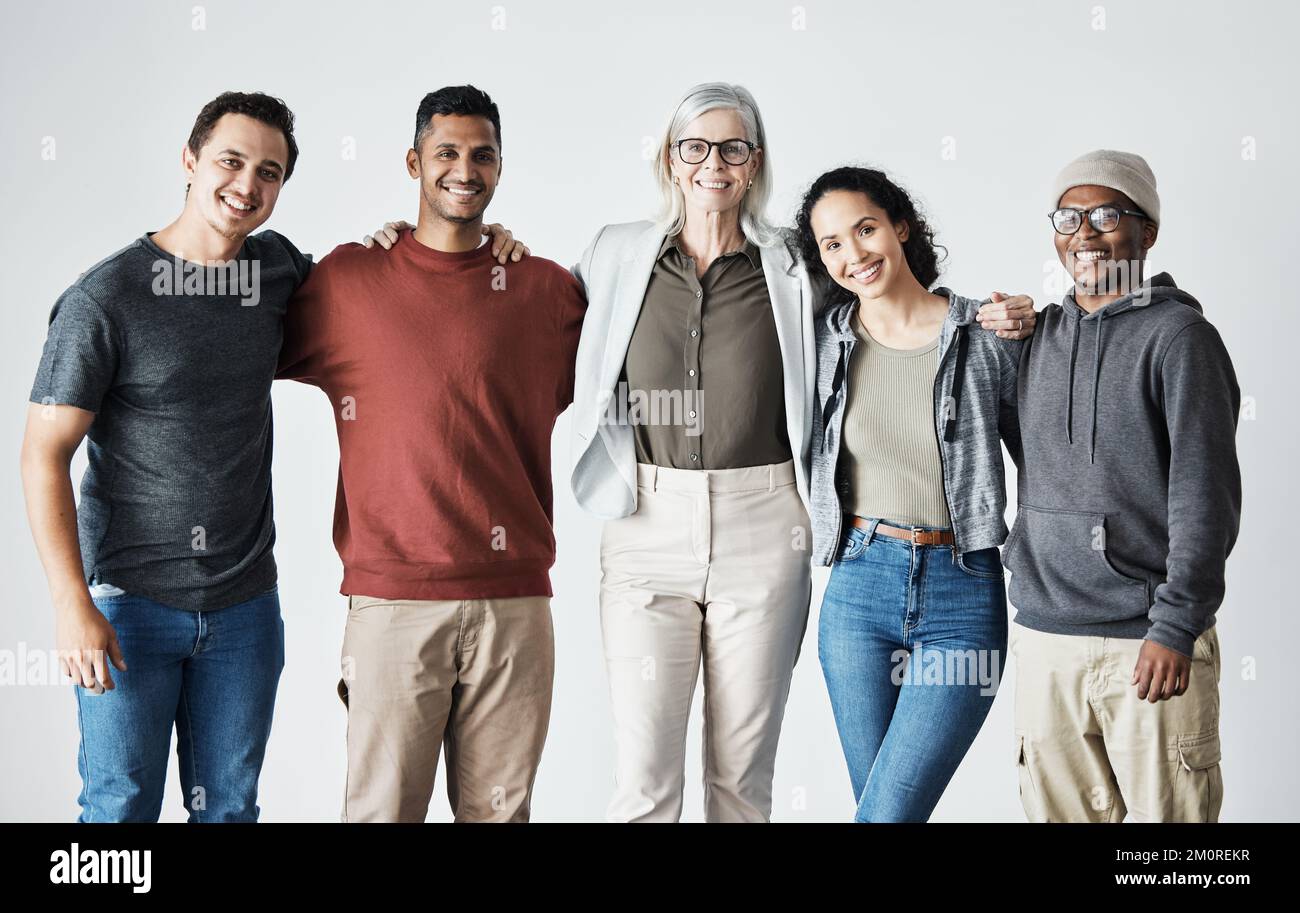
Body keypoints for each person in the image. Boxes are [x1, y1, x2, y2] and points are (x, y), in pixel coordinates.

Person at [277, 85, 584, 823]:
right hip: (391, 606)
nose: (464, 169)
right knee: (383, 812)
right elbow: (233, 331)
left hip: (514, 602)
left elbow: (635, 360)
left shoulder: (542, 289)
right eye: (446, 152)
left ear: (501, 169)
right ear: (414, 162)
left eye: (482, 154)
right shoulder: (348, 281)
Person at [1007, 149, 1240, 822]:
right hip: (1047, 634)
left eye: (1107, 214)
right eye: (1069, 216)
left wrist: (1175, 623)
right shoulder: (1038, 337)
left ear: (1147, 231)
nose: (1085, 232)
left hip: (1148, 637)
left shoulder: (1181, 338)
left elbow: (1205, 494)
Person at [799, 166, 1032, 821]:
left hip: (964, 591)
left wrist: (1037, 319)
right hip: (858, 590)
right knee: (882, 812)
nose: (854, 253)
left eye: (866, 228)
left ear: (900, 226)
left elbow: (1045, 456)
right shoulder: (824, 341)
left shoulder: (985, 337)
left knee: (886, 814)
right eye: (832, 243)